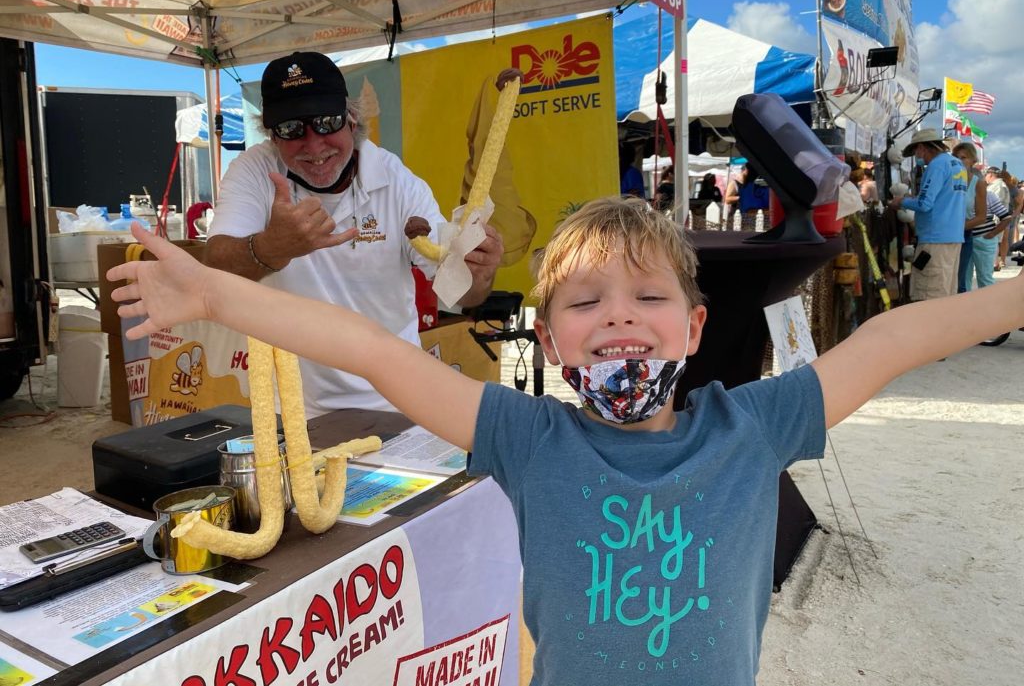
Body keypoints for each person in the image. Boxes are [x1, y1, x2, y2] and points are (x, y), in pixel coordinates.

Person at [110, 200, 1024, 686]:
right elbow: (371, 351)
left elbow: (893, 339)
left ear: (696, 326)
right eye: (584, 302)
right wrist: (218, 295)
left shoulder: (756, 428)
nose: (617, 314)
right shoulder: (525, 434)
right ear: (548, 341)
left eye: (647, 297)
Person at [204, 50, 504, 416]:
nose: (314, 145)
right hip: (297, 411)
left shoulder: (395, 180)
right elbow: (217, 266)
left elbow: (460, 292)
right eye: (291, 129)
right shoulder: (257, 171)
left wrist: (480, 272)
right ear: (271, 135)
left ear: (352, 119)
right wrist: (273, 248)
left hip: (400, 401)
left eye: (327, 121)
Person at [888, 128, 967, 301]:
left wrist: (901, 202)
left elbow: (925, 204)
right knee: (947, 292)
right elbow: (943, 198)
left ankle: (935, 328)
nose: (917, 155)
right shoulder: (957, 164)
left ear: (923, 147)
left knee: (930, 295)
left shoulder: (936, 165)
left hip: (935, 239)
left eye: (916, 150)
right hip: (953, 237)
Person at [952, 143, 987, 293]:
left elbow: (981, 216)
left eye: (964, 158)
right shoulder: (949, 179)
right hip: (942, 235)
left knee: (959, 281)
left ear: (973, 160)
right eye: (956, 157)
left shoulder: (977, 184)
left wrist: (959, 227)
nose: (959, 161)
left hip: (963, 235)